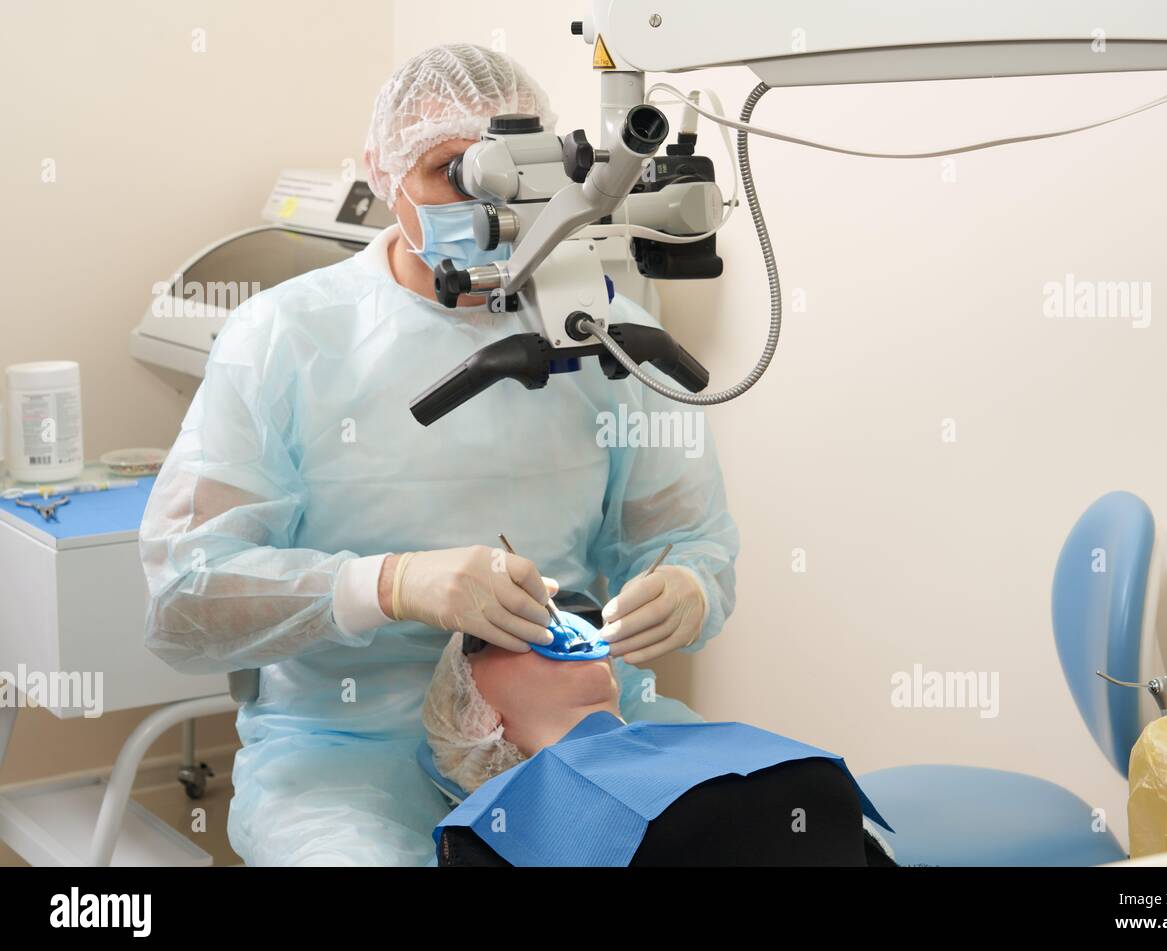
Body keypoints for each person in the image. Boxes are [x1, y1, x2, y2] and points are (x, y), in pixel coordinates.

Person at [138, 43, 739, 866]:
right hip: (346, 749)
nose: (479, 196)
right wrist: (385, 583)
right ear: (382, 173)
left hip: (577, 733)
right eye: (447, 171)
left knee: (763, 824)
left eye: (504, 170)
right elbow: (185, 593)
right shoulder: (285, 335)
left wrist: (688, 587)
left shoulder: (597, 324)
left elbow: (686, 535)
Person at [423, 613, 895, 866]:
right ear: (479, 723)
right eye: (499, 630)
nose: (555, 618)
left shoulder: (721, 744)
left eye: (574, 612)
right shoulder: (493, 830)